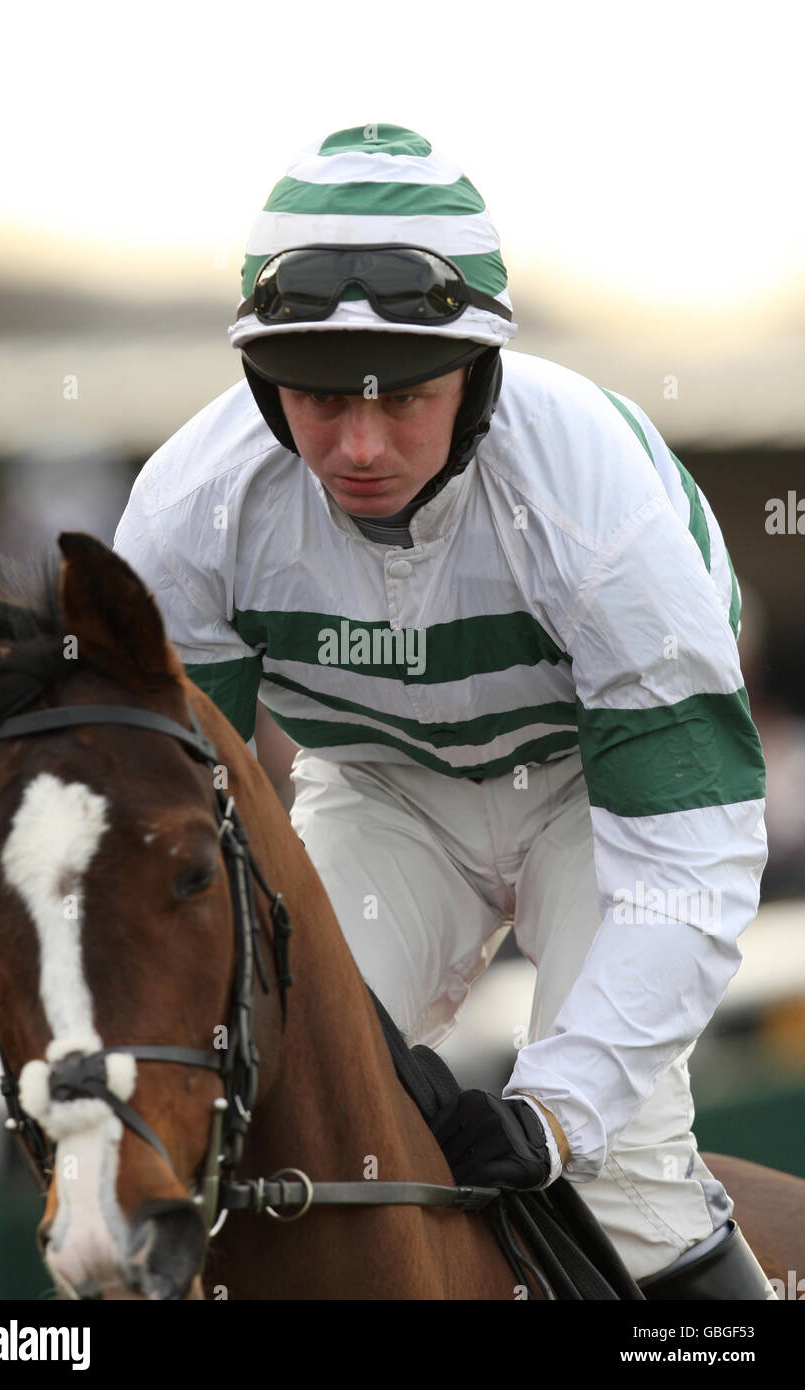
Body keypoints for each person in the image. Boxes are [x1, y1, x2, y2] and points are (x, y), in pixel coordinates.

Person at [114, 123, 774, 1298]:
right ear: (263, 376)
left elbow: (689, 844)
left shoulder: (596, 503)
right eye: (315, 397)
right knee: (272, 1107)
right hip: (377, 789)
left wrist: (558, 1111)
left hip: (595, 797)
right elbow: (173, 827)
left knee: (616, 1166)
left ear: (481, 368)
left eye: (404, 396)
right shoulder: (186, 510)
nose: (358, 446)